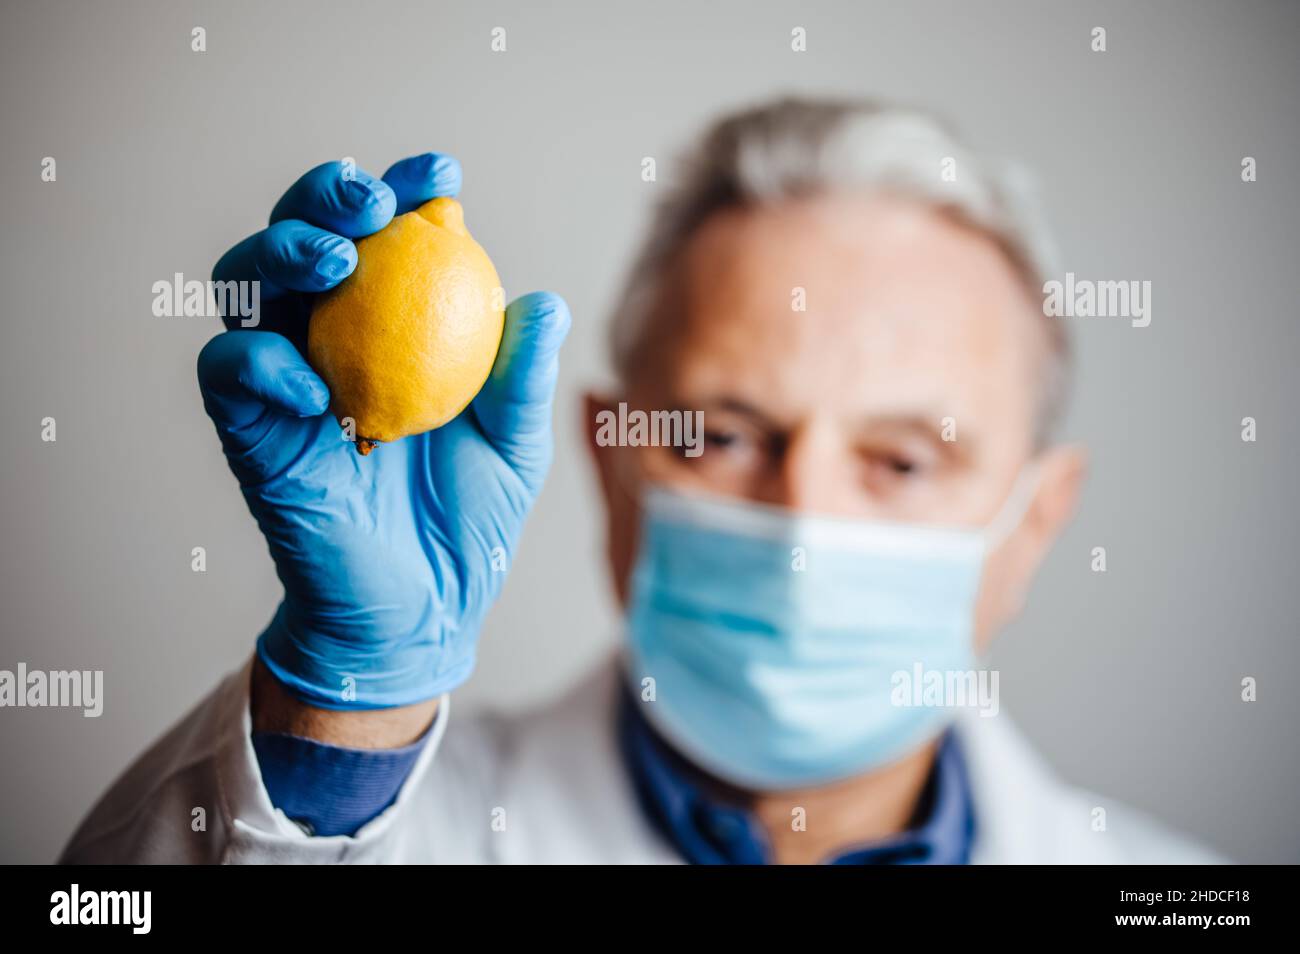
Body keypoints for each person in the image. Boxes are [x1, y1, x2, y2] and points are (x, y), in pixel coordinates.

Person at [61, 97, 1217, 864]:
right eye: (721, 436)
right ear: (610, 461)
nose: (804, 517)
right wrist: (344, 706)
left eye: (903, 460)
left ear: (1035, 522)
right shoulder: (385, 827)